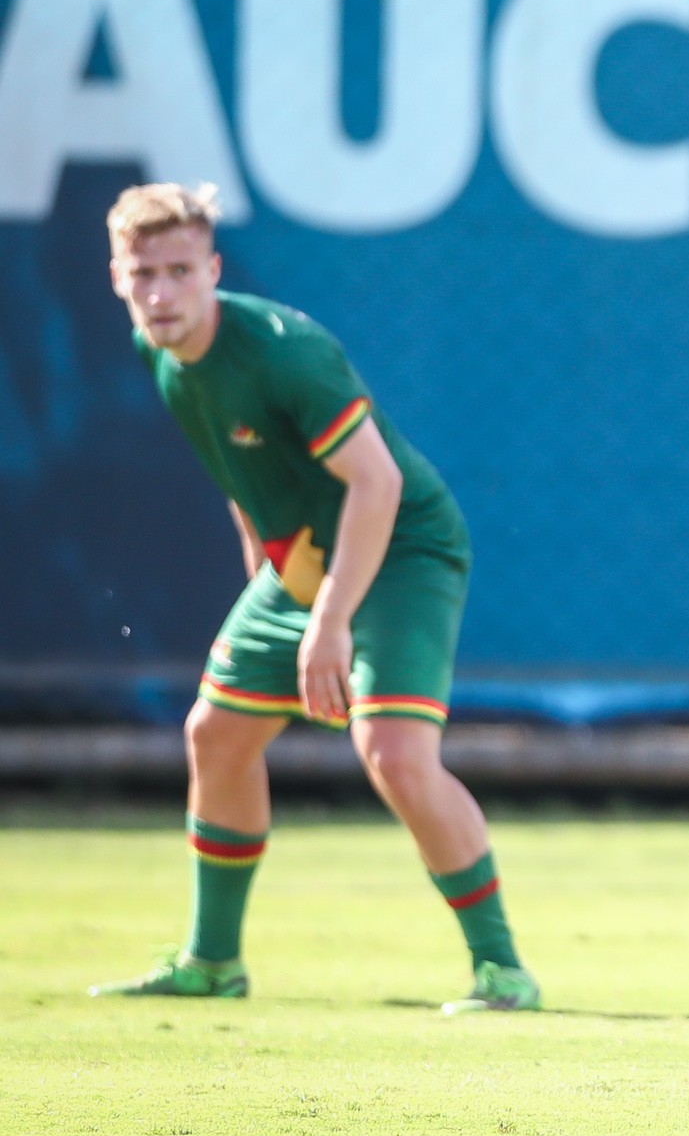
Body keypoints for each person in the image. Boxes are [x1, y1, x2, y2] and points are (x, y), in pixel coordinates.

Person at [88, 183, 539, 1014]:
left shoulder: (282, 351)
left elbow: (378, 482)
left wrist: (327, 624)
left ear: (212, 270)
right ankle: (212, 960)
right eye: (142, 272)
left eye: (179, 270)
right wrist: (273, 601)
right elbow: (244, 481)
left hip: (402, 546)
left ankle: (502, 970)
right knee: (215, 732)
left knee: (394, 754)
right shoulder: (162, 354)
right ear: (116, 275)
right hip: (299, 564)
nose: (160, 291)